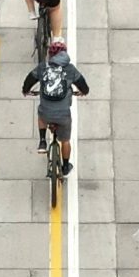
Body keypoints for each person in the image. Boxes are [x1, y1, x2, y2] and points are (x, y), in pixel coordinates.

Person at [23, 35, 88, 174]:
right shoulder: (70, 69)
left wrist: (26, 90)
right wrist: (83, 92)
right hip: (63, 116)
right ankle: (65, 167)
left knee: (41, 115)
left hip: (46, 112)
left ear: (50, 54)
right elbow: (84, 86)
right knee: (65, 140)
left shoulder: (42, 67)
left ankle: (42, 141)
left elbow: (29, 80)